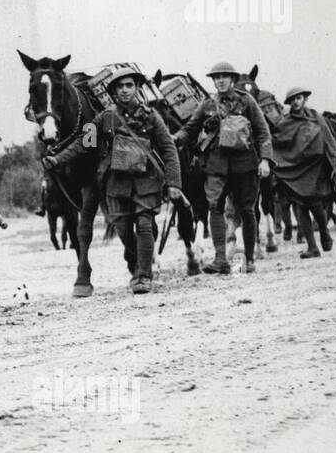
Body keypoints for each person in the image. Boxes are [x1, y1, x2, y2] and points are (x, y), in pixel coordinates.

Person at [43, 68, 182, 293]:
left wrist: (175, 183)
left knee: (145, 224)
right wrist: (58, 159)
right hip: (116, 183)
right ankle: (137, 263)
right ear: (114, 92)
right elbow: (83, 143)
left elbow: (168, 148)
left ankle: (144, 276)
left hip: (146, 180)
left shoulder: (151, 116)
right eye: (120, 87)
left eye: (129, 85)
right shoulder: (105, 117)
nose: (125, 90)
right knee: (123, 228)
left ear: (136, 88)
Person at [175, 61, 274, 275]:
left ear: (232, 79)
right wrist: (175, 139)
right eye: (216, 77)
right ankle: (221, 259)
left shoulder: (247, 102)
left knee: (246, 210)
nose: (220, 81)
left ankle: (248, 259)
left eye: (224, 77)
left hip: (244, 165)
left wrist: (265, 160)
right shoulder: (207, 104)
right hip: (216, 165)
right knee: (214, 207)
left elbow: (263, 132)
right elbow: (190, 128)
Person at [270, 86, 336, 258]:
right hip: (295, 170)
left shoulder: (317, 118)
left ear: (305, 99)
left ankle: (324, 232)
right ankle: (312, 247)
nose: (296, 102)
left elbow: (329, 142)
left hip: (316, 167)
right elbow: (276, 141)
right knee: (299, 206)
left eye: (299, 98)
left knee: (316, 203)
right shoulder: (285, 122)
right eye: (292, 100)